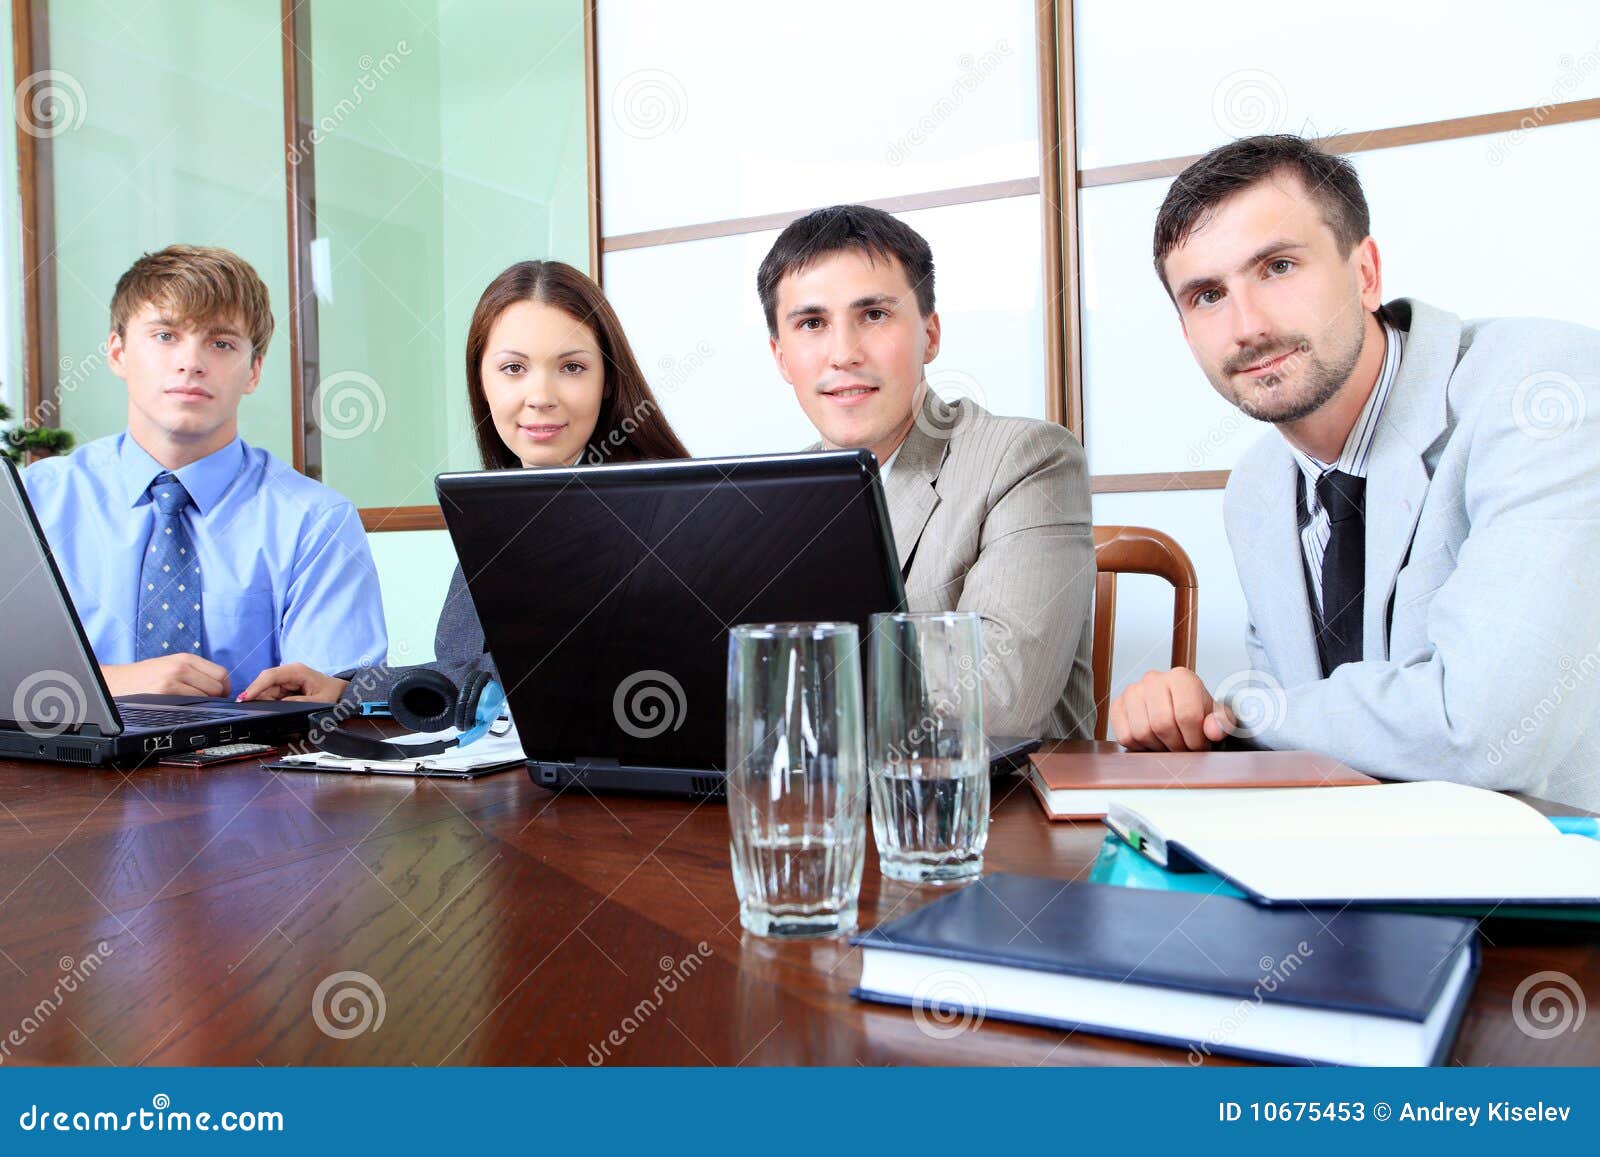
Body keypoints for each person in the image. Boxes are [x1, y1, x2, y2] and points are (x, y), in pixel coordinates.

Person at [1107, 134, 1600, 810]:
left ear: (1365, 273)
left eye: (1278, 267)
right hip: (1361, 874)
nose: (1246, 326)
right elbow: (1315, 751)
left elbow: (1482, 729)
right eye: (1207, 295)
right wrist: (1185, 722)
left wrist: (1235, 712)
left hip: (1552, 883)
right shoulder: (1257, 490)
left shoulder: (1540, 391)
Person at [240, 260, 691, 705]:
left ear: (608, 379)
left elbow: (550, 672)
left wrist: (358, 690)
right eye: (514, 369)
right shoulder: (500, 508)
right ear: (481, 380)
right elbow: (469, 671)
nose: (540, 397)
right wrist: (347, 690)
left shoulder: (657, 514)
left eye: (571, 367)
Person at [758, 205, 1095, 738]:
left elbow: (1005, 691)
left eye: (874, 314)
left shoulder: (1028, 458)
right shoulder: (774, 497)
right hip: (828, 801)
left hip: (1000, 809)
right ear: (781, 357)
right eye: (812, 324)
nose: (843, 353)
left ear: (930, 335)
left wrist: (784, 659)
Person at [23, 244, 385, 698]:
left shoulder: (316, 521)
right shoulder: (30, 503)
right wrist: (114, 683)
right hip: (52, 767)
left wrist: (319, 697)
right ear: (117, 353)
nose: (190, 362)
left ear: (253, 371)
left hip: (255, 767)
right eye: (165, 336)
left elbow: (336, 701)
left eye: (221, 343)